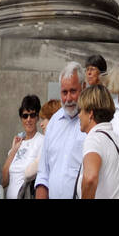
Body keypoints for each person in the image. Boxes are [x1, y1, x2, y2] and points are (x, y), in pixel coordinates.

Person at [76, 85, 119, 200]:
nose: (78, 115)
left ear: (90, 114)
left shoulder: (94, 139)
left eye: (80, 110)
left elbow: (90, 178)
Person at [35, 63, 86, 199]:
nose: (68, 99)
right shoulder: (54, 122)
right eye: (64, 92)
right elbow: (43, 174)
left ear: (84, 87)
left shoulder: (92, 122)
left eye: (73, 91)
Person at [2, 94, 44, 200]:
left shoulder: (42, 141)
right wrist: (13, 151)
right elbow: (4, 181)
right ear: (21, 118)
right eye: (25, 116)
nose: (28, 119)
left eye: (32, 115)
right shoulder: (18, 142)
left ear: (38, 117)